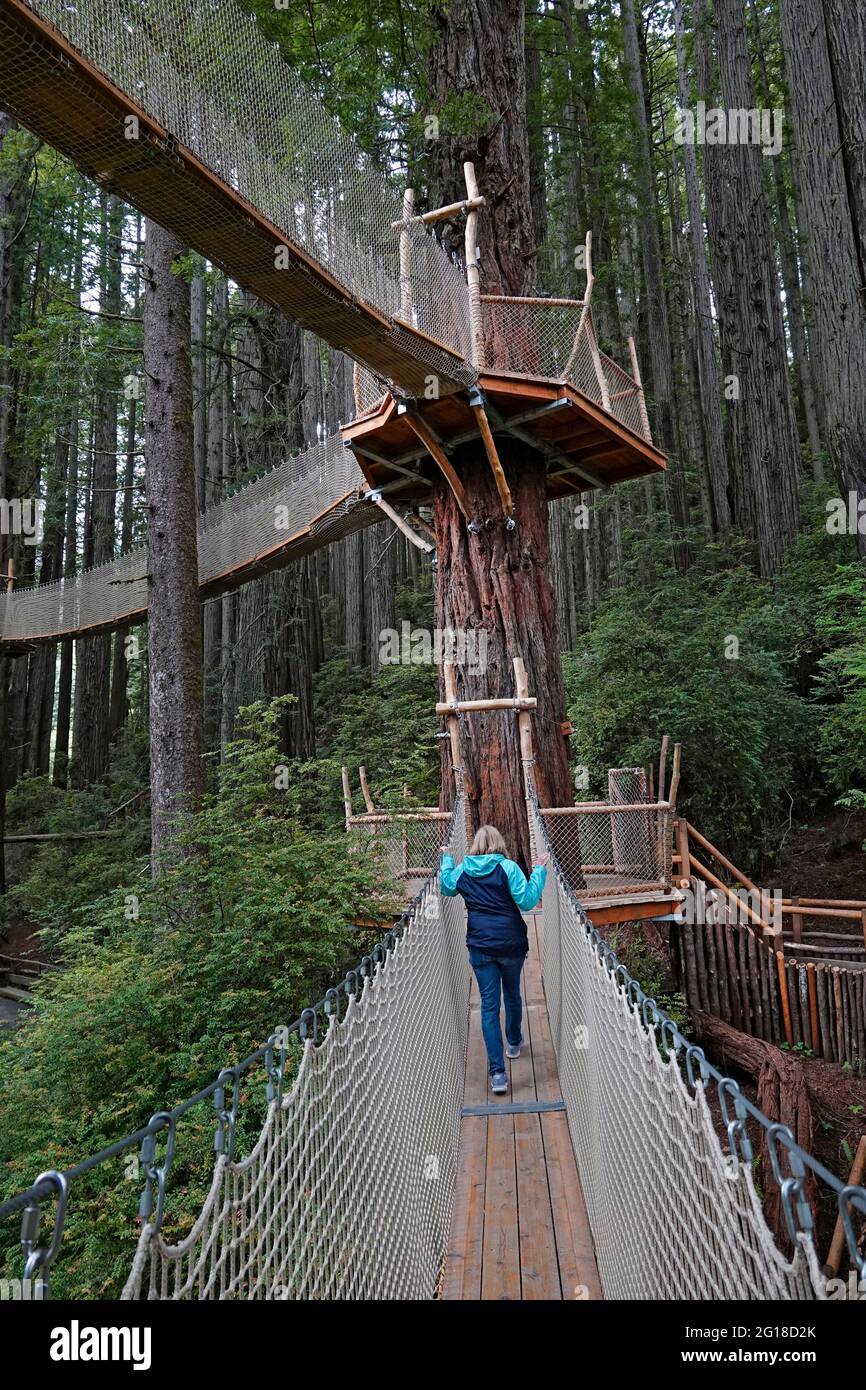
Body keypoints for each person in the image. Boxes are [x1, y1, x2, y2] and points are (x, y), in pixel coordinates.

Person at [440, 825, 549, 1095]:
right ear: (499, 843)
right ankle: (513, 1042)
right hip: (511, 943)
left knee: (489, 1006)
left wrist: (446, 861)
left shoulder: (463, 869)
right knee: (512, 994)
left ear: (475, 845)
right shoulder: (508, 868)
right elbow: (527, 901)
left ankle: (497, 1074)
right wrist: (539, 871)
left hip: (480, 946)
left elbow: (446, 887)